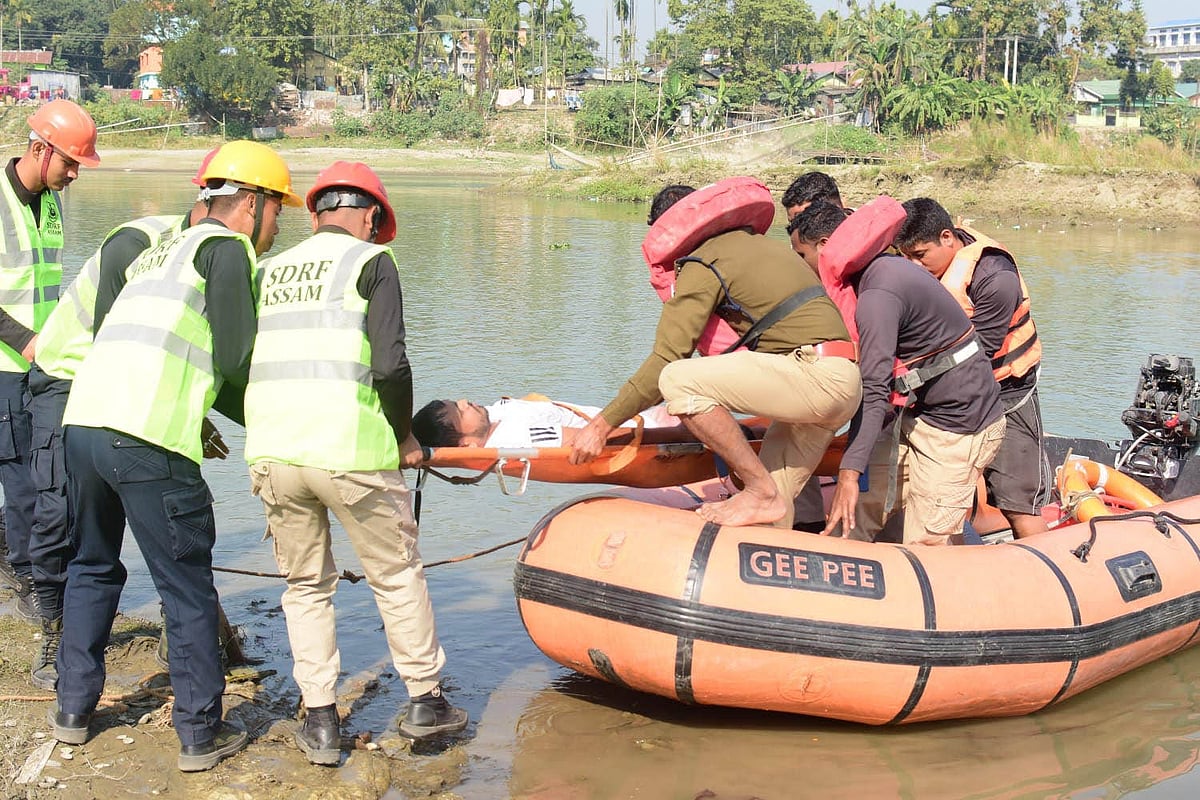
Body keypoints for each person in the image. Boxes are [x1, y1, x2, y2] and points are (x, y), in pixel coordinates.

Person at [49, 140, 302, 773]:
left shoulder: (162, 247)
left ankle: (73, 711)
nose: (277, 227)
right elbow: (236, 358)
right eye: (278, 212)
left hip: (84, 423)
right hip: (148, 434)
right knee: (184, 586)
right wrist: (281, 422)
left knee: (92, 565)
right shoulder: (227, 248)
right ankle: (199, 734)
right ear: (250, 203)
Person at [243, 161, 467, 763]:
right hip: (351, 448)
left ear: (315, 214)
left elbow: (242, 359)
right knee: (396, 575)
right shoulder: (371, 263)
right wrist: (403, 438)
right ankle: (424, 702)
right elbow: (391, 365)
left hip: (274, 450)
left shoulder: (267, 269)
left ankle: (320, 720)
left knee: (305, 586)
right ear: (370, 216)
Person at [23, 155, 218, 691]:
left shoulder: (200, 252)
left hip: (119, 390)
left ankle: (77, 690)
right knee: (62, 514)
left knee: (126, 531)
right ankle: (53, 634)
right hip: (70, 376)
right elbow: (122, 345)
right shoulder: (140, 242)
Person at [569, 180, 862, 529]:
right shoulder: (761, 247)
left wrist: (602, 426)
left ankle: (756, 488)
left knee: (678, 379)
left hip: (813, 377)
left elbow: (668, 359)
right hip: (840, 384)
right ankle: (765, 512)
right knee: (774, 509)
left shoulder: (704, 260)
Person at [791, 201, 1006, 545]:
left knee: (926, 543)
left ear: (826, 247)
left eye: (800, 256)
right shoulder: (877, 271)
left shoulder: (879, 291)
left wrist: (848, 472)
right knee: (856, 513)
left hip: (958, 426)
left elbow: (874, 388)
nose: (798, 266)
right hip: (912, 415)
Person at [896, 198, 1050, 538]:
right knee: (927, 490)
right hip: (944, 392)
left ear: (948, 238)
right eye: (905, 257)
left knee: (1017, 501)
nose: (913, 266)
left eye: (920, 255)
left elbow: (980, 353)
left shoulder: (995, 277)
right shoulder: (924, 268)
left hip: (1006, 391)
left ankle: (1051, 568)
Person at [0, 100, 100, 624]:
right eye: (70, 162)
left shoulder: (52, 202)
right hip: (5, 364)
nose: (75, 173)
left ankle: (39, 568)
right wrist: (25, 340)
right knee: (19, 481)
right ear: (39, 149)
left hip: (45, 363)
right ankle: (26, 582)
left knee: (51, 476)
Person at [412, 397, 681, 448]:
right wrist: (677, 434)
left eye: (456, 401)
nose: (465, 401)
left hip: (651, 414)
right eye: (460, 412)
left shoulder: (491, 417)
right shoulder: (516, 439)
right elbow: (585, 439)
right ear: (467, 444)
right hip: (653, 426)